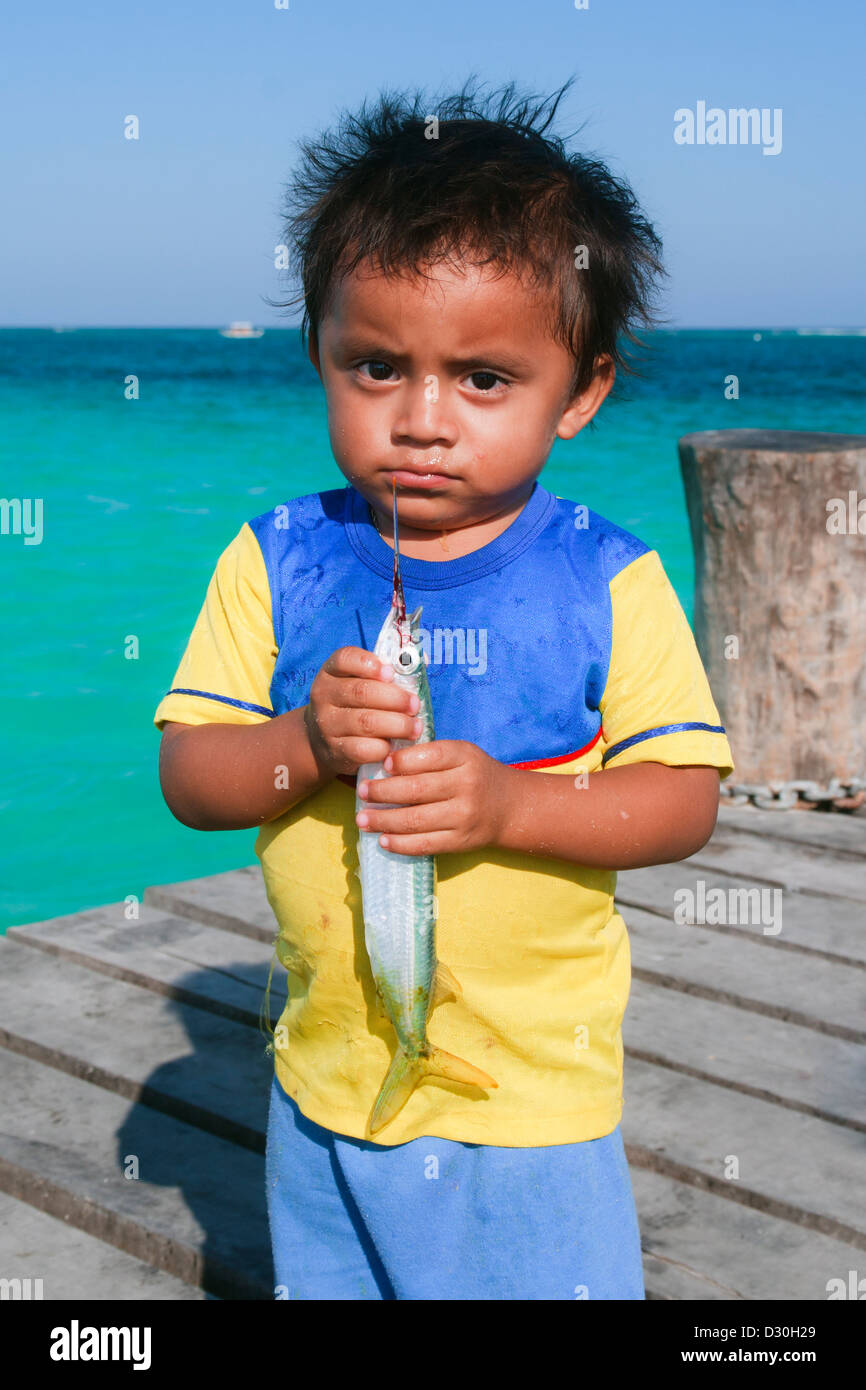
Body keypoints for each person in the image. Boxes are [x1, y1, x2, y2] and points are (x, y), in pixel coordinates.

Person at [154, 79, 734, 1300]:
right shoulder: (274, 560)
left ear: (577, 391)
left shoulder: (604, 578)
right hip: (324, 1081)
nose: (421, 422)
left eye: (481, 378)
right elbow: (195, 781)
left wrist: (512, 810)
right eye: (374, 366)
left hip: (529, 1101)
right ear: (318, 352)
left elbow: (680, 800)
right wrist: (304, 743)